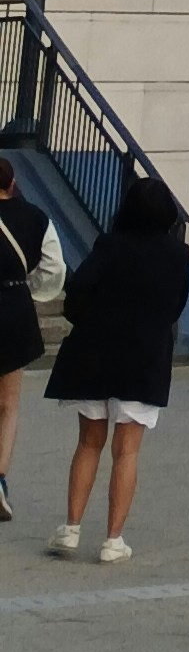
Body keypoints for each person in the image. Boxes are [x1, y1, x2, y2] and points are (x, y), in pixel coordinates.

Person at [44, 173, 189, 564]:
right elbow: (177, 305)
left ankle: (71, 528)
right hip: (145, 357)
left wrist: (89, 321)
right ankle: (113, 539)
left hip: (96, 352)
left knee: (88, 442)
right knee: (127, 451)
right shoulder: (178, 254)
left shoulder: (109, 245)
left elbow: (77, 292)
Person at [0, 152, 51, 525]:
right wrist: (30, 288)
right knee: (9, 403)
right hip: (15, 306)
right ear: (12, 184)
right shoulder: (36, 217)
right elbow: (54, 268)